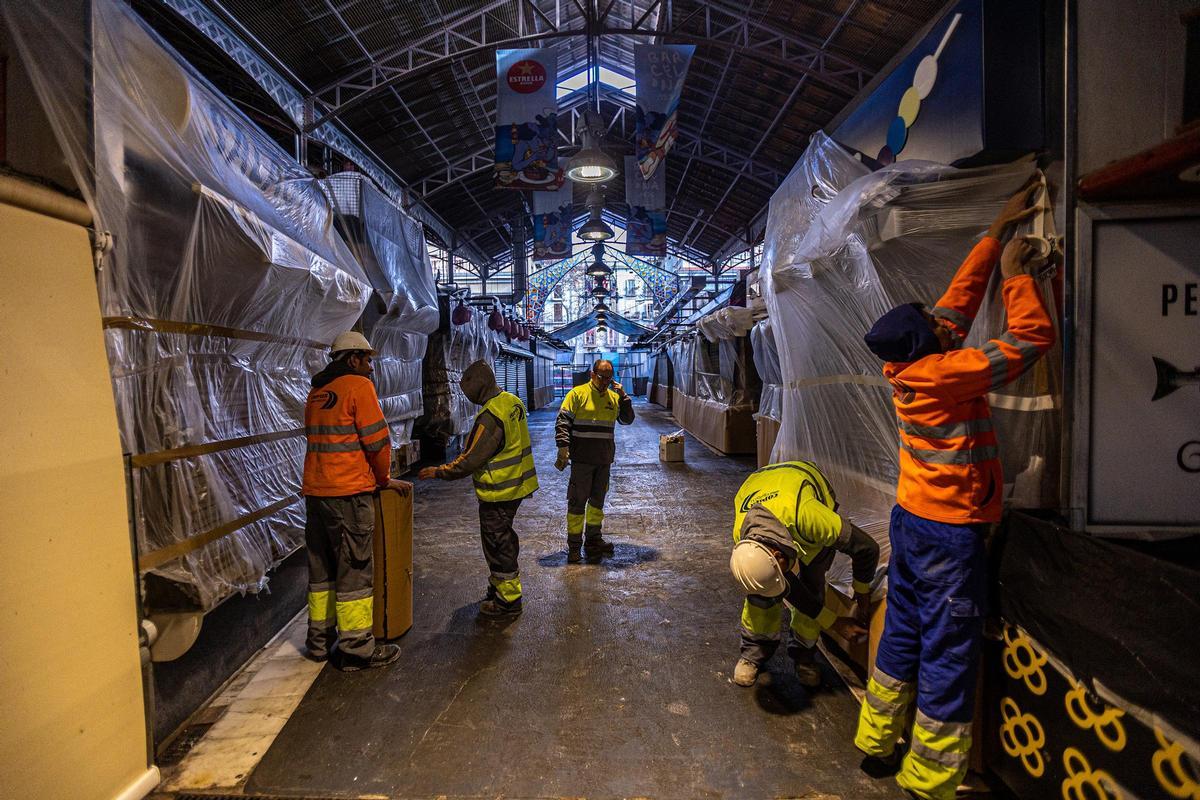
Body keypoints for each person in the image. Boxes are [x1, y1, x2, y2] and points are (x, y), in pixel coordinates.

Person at [854, 184, 1054, 800]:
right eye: (938, 328)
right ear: (933, 345)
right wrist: (1020, 278)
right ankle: (931, 777)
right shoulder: (949, 375)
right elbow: (1031, 340)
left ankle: (876, 741)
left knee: (904, 631)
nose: (949, 326)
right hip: (951, 533)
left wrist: (994, 235)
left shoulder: (910, 367)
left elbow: (957, 303)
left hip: (912, 521)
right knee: (949, 646)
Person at [303, 331, 410, 671]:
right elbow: (378, 443)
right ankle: (356, 649)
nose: (371, 367)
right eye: (367, 360)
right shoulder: (358, 387)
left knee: (322, 572)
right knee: (355, 571)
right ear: (352, 359)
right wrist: (382, 480)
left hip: (316, 494)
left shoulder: (318, 392)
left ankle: (319, 642)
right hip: (349, 494)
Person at [729, 461, 880, 688]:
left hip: (803, 489)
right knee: (760, 596)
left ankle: (804, 655)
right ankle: (753, 652)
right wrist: (835, 622)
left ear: (779, 555)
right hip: (758, 484)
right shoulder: (744, 537)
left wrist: (862, 590)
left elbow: (867, 548)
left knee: (813, 584)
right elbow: (788, 587)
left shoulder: (813, 518)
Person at [418, 360, 538, 616]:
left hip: (500, 491)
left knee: (497, 543)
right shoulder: (511, 401)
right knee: (501, 538)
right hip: (517, 485)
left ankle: (508, 600)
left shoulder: (490, 416)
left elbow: (471, 459)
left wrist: (439, 471)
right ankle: (498, 587)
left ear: (479, 386)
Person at [554, 359, 635, 562]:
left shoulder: (613, 398)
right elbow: (563, 421)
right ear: (592, 374)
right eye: (602, 377)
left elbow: (627, 419)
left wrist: (624, 396)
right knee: (577, 503)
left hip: (603, 461)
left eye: (609, 378)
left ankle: (593, 540)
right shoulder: (577, 394)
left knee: (597, 503)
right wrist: (563, 448)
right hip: (582, 460)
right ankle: (574, 546)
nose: (606, 382)